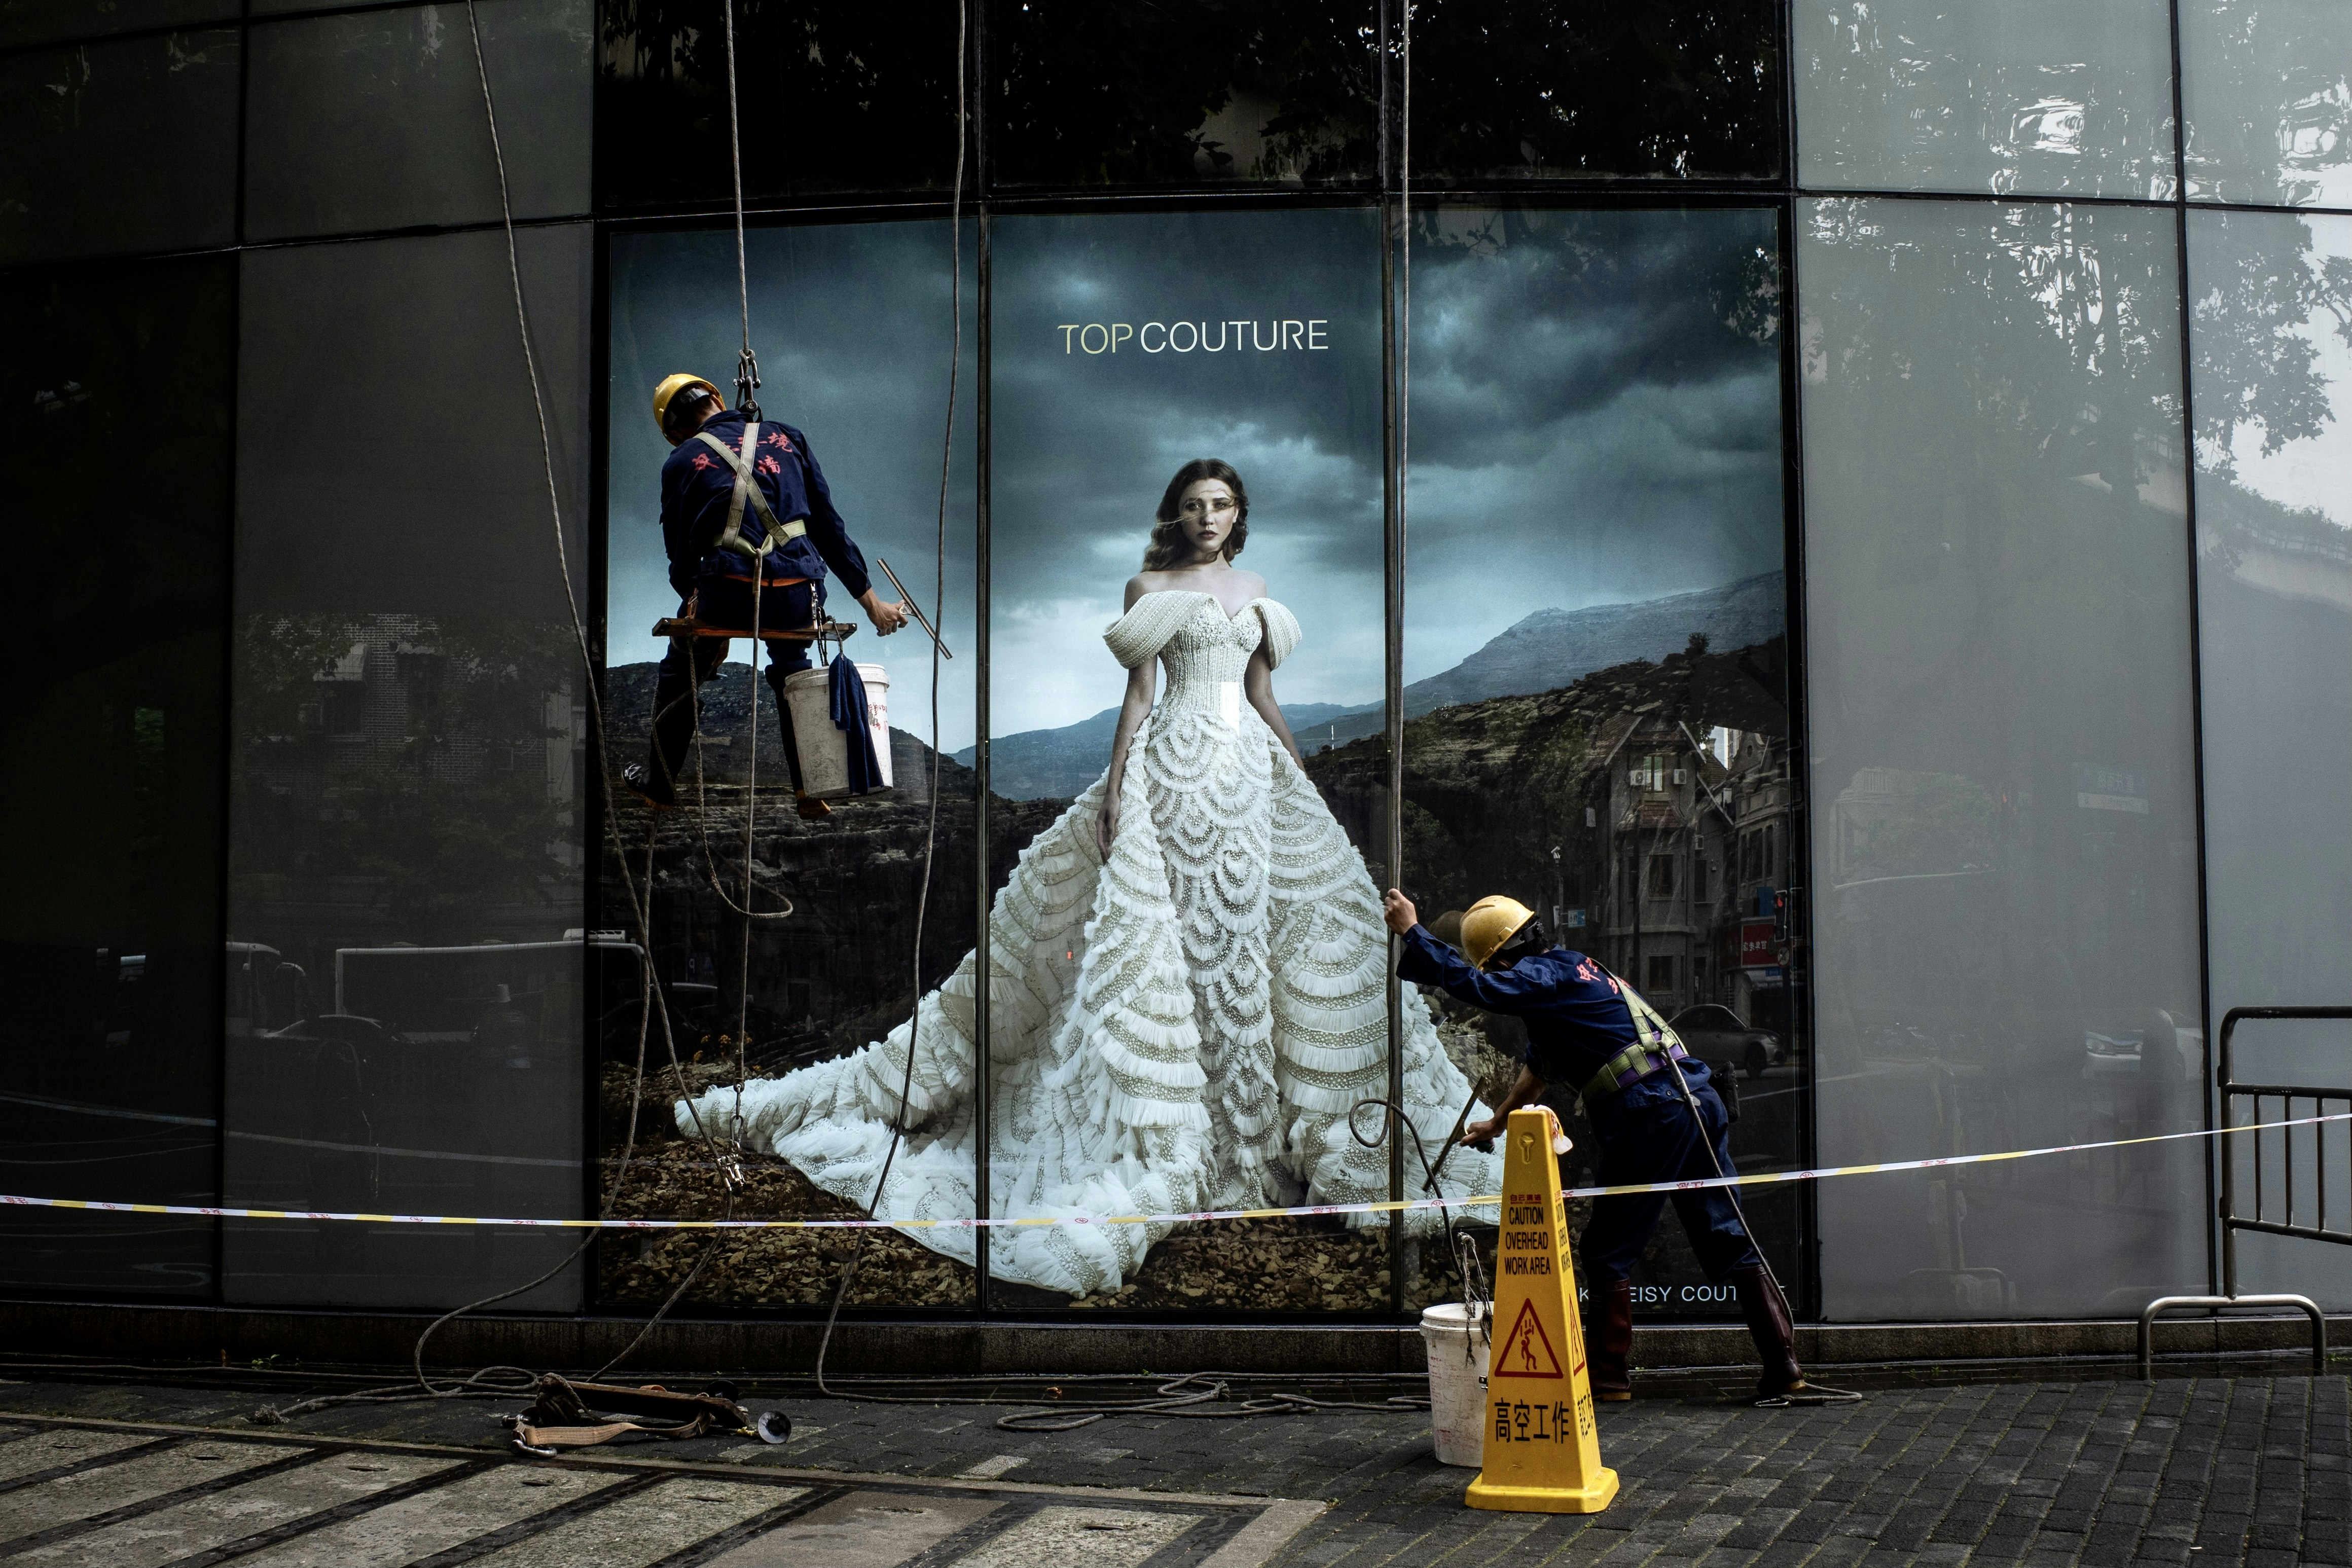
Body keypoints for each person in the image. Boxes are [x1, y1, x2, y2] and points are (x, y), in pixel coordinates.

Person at [674, 458, 1501, 1296]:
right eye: (1191, 506)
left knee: (1270, 941)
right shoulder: (1146, 588)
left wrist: (1301, 783)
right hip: (1172, 778)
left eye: (1218, 505)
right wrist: (1116, 786)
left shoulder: (1254, 585)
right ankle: (1186, 1136)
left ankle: (1272, 1137)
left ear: (1236, 513)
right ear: (1176, 516)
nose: (1205, 516)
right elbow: (1139, 694)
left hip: (1249, 780)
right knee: (1173, 945)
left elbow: (1259, 694)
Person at [1382, 888, 1808, 1402]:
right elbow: (1539, 1068)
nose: (1497, 979)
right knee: (1726, 1233)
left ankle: (1607, 1377)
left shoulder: (1546, 976)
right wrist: (1497, 1123)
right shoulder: (1577, 974)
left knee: (1607, 1249)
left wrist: (1412, 930)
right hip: (1695, 1100)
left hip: (1655, 1111)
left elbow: (1481, 990)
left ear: (1505, 956)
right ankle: (1782, 1364)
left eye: (1496, 968)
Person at [624, 374, 909, 820]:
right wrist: (871, 602)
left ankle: (659, 784)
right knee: (793, 669)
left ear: (674, 431)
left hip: (725, 590)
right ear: (717, 397)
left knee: (683, 665)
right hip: (797, 592)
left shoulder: (681, 460)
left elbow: (679, 555)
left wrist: (699, 616)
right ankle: (809, 787)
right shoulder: (787, 438)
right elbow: (829, 528)